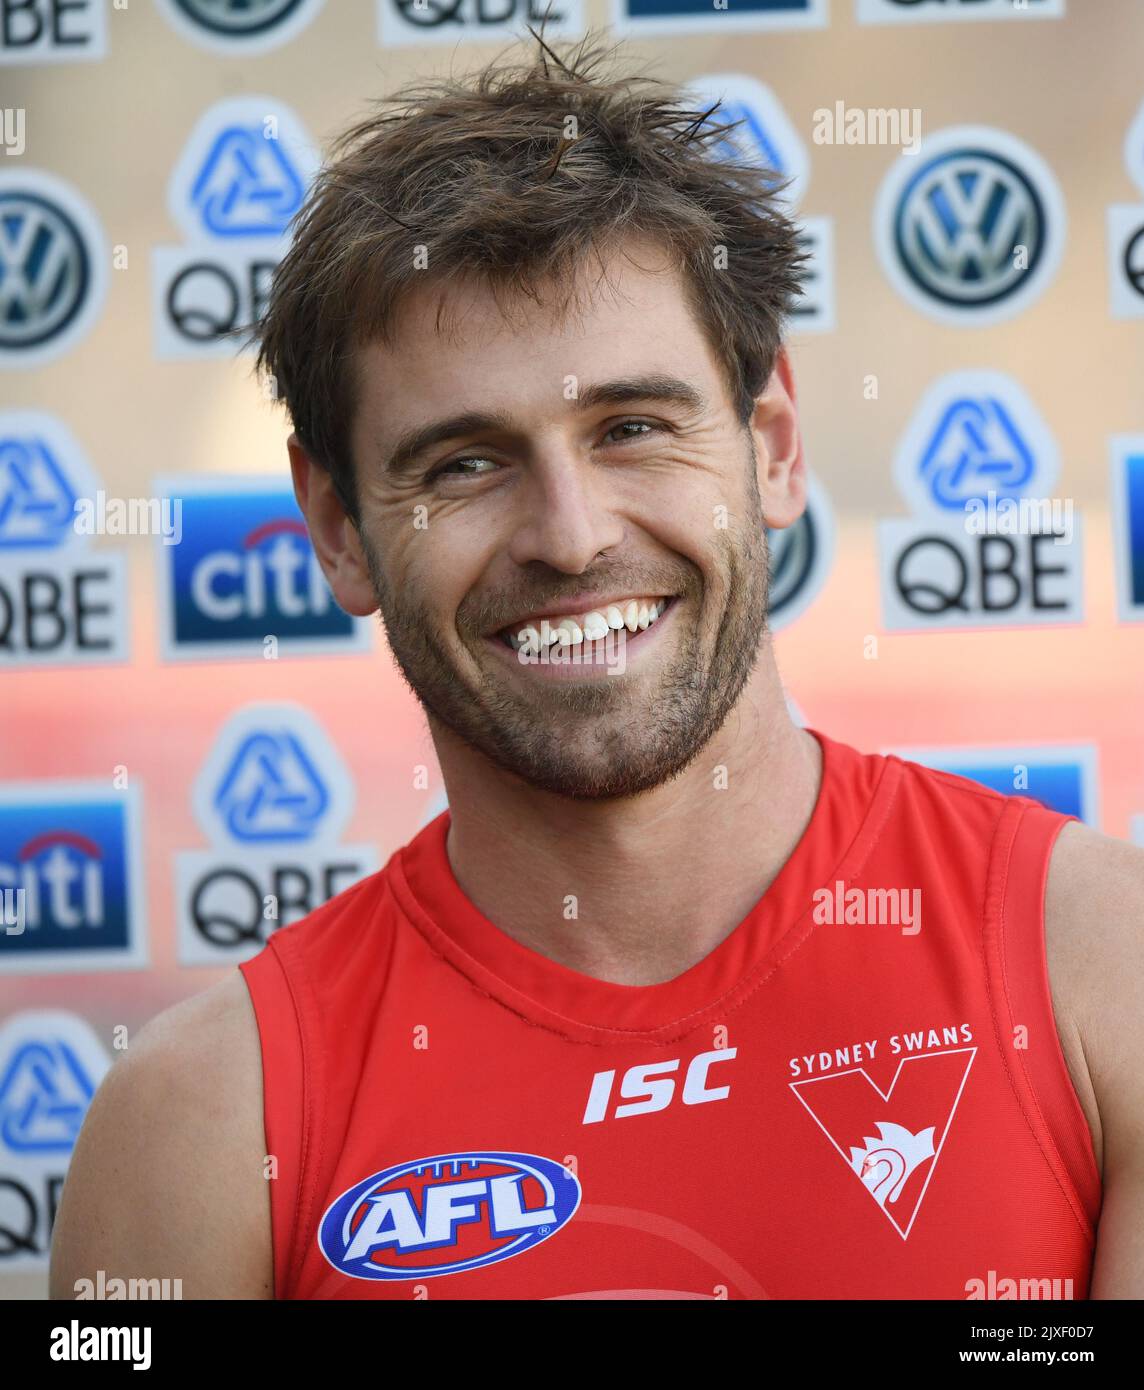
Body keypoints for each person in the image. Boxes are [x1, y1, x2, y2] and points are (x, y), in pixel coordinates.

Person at [51, 32, 1143, 1300]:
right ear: (338, 525)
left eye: (631, 428)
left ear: (774, 447)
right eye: (464, 462)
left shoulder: (1099, 965)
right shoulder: (196, 1126)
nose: (571, 536)